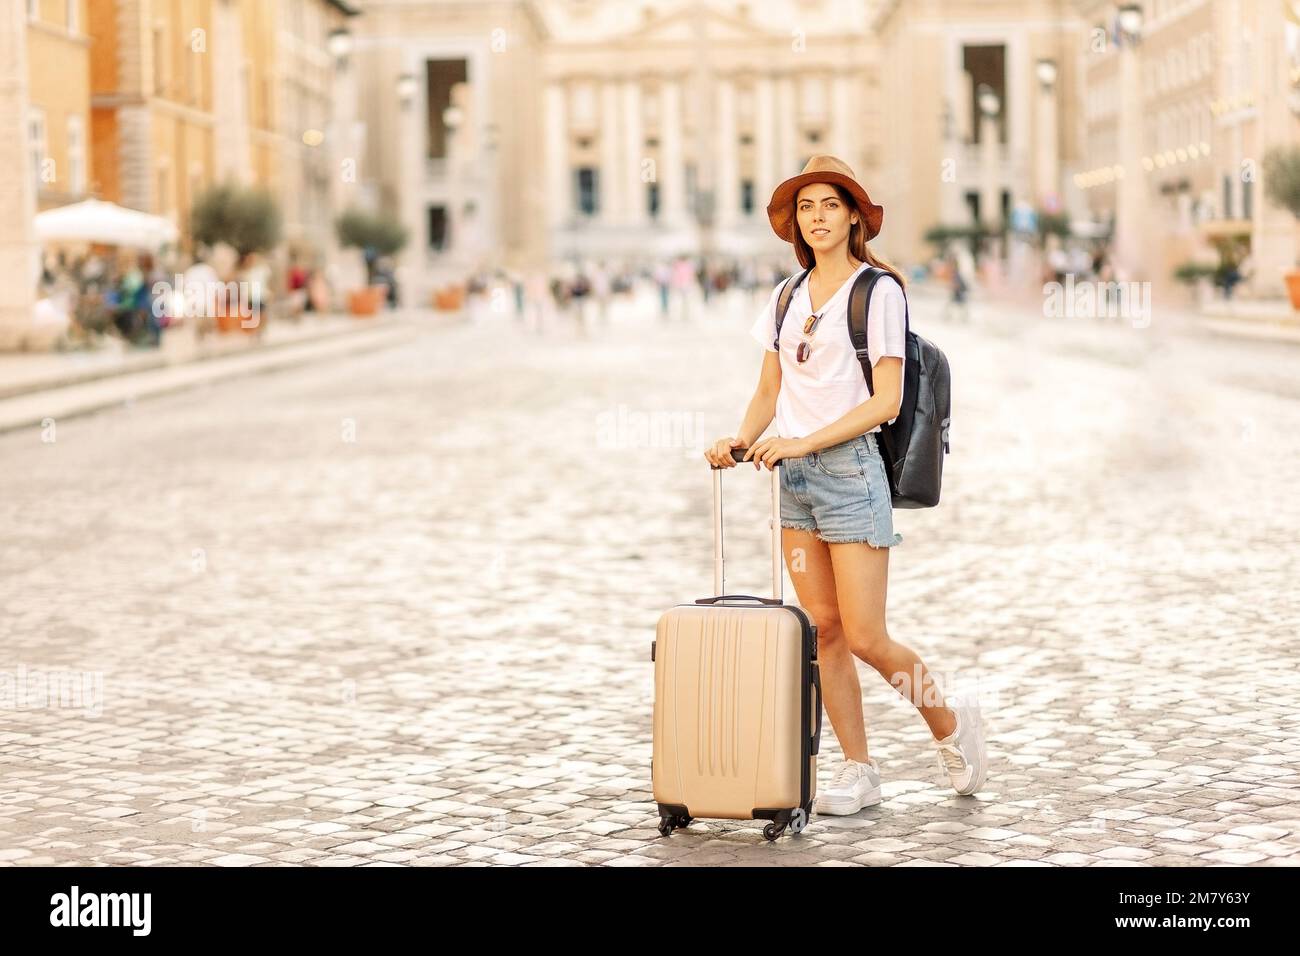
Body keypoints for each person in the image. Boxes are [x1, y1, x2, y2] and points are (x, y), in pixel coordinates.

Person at [703, 154, 988, 816]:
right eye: (807, 207)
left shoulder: (877, 291)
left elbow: (885, 400)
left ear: (855, 215)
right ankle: (859, 772)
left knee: (866, 635)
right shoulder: (784, 296)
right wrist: (739, 440)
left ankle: (951, 726)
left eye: (831, 204)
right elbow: (771, 387)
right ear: (794, 223)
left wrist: (805, 439)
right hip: (793, 483)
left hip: (851, 474)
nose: (818, 217)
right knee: (824, 632)